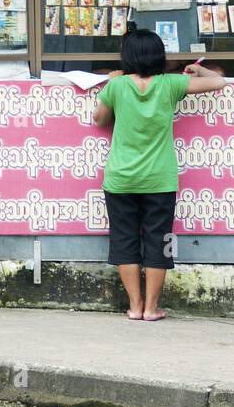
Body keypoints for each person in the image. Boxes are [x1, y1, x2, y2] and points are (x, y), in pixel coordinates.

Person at [92, 25, 226, 321]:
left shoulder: (117, 86)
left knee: (124, 240)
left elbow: (99, 119)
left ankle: (134, 307)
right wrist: (196, 69)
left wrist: (110, 84)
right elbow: (219, 82)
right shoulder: (170, 84)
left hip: (121, 179)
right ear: (159, 56)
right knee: (159, 241)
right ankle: (152, 309)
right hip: (159, 179)